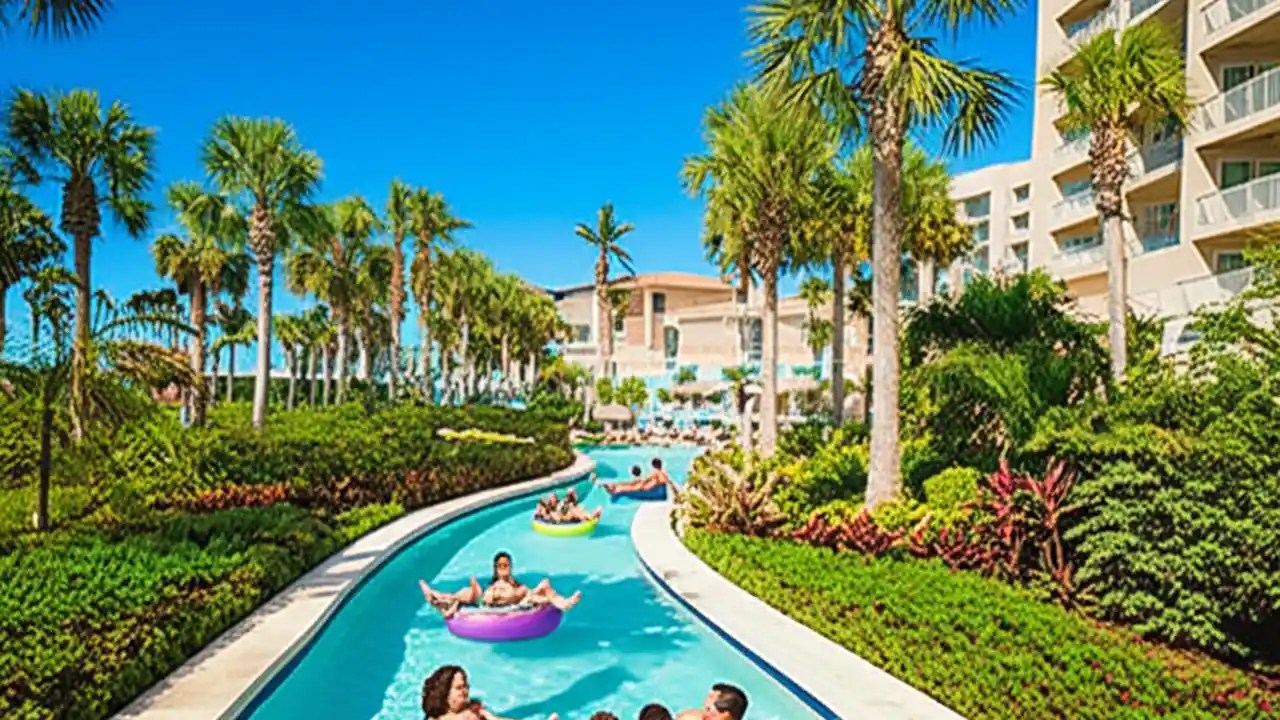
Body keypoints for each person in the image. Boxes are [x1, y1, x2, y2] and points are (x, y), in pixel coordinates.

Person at [419, 551, 581, 618]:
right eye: (500, 566)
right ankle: (434, 596)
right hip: (494, 605)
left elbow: (525, 595)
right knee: (466, 593)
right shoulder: (496, 585)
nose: (504, 568)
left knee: (545, 584)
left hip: (519, 604)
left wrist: (530, 594)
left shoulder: (513, 582)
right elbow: (488, 602)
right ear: (495, 569)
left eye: (506, 565)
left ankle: (564, 603)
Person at [421, 665, 559, 720]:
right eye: (459, 688)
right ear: (445, 692)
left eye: (466, 686)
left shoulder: (475, 710)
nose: (465, 691)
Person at [604, 458, 677, 496]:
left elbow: (646, 480)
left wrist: (641, 482)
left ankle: (615, 489)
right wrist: (676, 492)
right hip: (648, 486)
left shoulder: (657, 472)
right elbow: (670, 483)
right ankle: (615, 487)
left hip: (647, 488)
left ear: (654, 465)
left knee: (632, 486)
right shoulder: (663, 473)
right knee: (632, 485)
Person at [675, 683, 748, 720]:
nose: (705, 715)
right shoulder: (689, 716)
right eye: (706, 709)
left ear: (725, 714)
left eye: (708, 709)